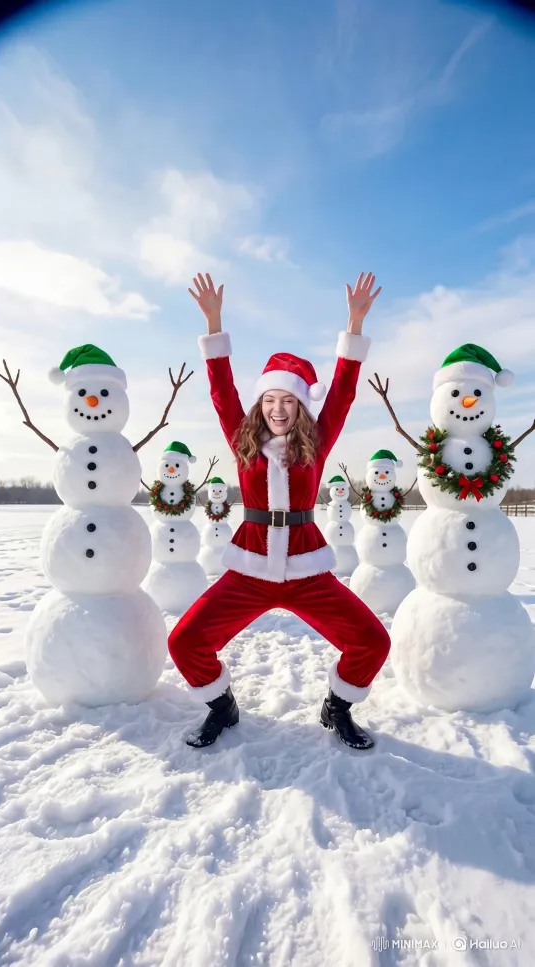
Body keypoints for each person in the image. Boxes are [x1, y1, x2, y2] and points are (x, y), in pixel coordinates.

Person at [168, 271, 390, 750]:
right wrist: (213, 323)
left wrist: (353, 327)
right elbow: (221, 390)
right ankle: (220, 707)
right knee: (185, 643)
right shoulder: (241, 438)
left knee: (373, 642)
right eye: (270, 400)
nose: (279, 408)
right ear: (260, 404)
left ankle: (338, 707)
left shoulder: (316, 442)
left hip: (307, 570)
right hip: (248, 568)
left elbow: (344, 393)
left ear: (299, 406)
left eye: (288, 400)